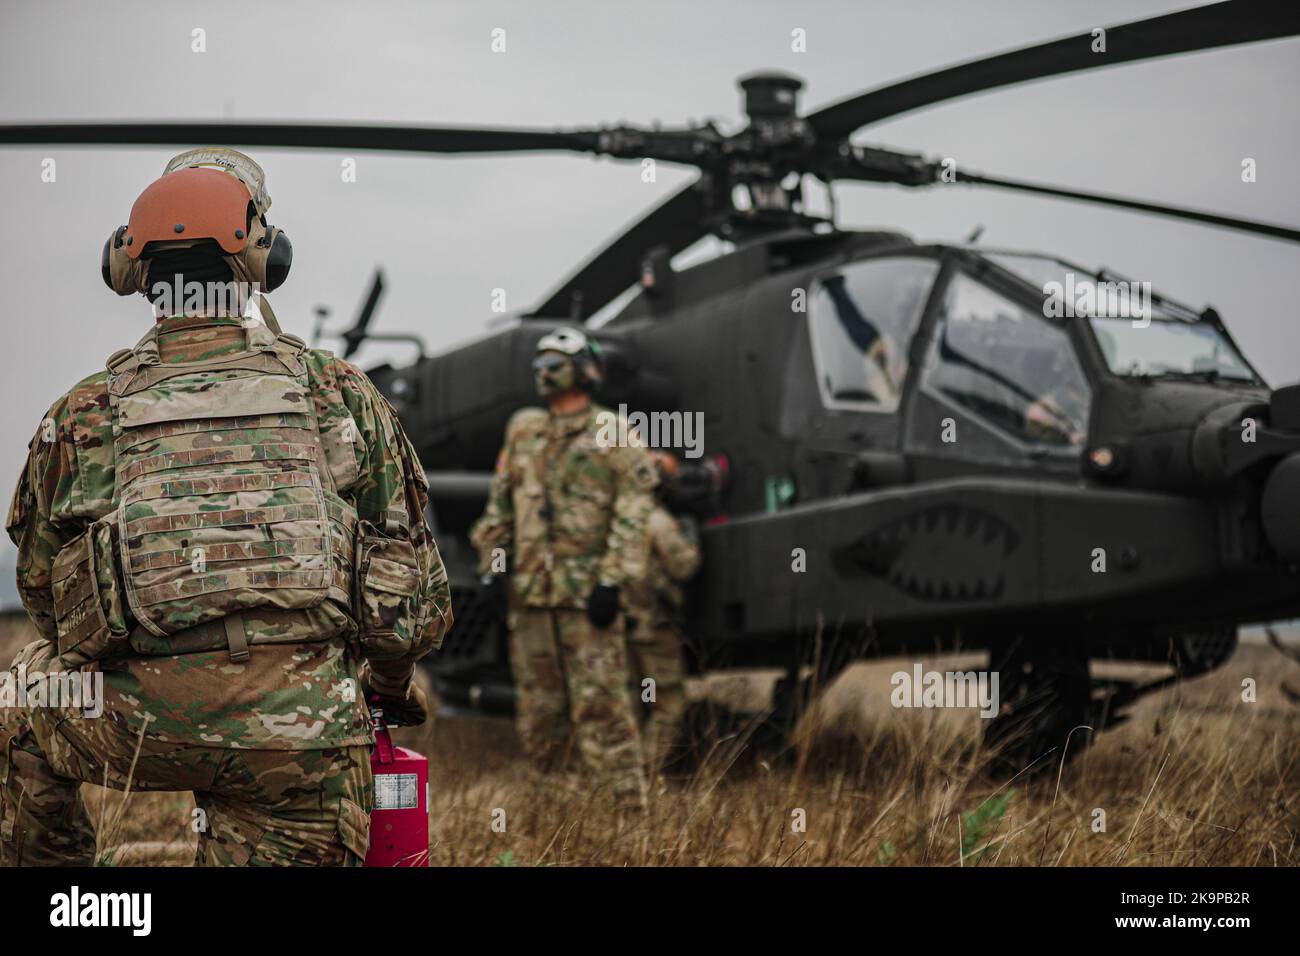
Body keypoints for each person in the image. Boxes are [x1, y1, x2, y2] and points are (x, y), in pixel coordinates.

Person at [0, 148, 451, 867]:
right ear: (263, 258)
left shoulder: (81, 414)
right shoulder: (338, 393)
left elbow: (45, 598)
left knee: (17, 697)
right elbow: (412, 603)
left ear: (130, 265)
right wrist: (385, 690)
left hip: (138, 727)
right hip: (302, 742)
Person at [470, 327, 656, 807]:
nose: (544, 373)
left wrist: (613, 580)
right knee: (539, 714)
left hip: (587, 598)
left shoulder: (612, 432)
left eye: (556, 364)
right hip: (531, 598)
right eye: (539, 365)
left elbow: (633, 511)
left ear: (585, 370)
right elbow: (499, 509)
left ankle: (626, 818)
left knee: (603, 709)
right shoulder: (524, 430)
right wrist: (492, 569)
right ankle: (555, 815)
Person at [623, 451, 702, 774]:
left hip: (616, 627)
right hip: (653, 628)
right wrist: (692, 536)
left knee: (628, 705)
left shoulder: (613, 521)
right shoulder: (656, 521)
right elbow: (684, 566)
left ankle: (618, 778)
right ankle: (645, 773)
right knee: (668, 705)